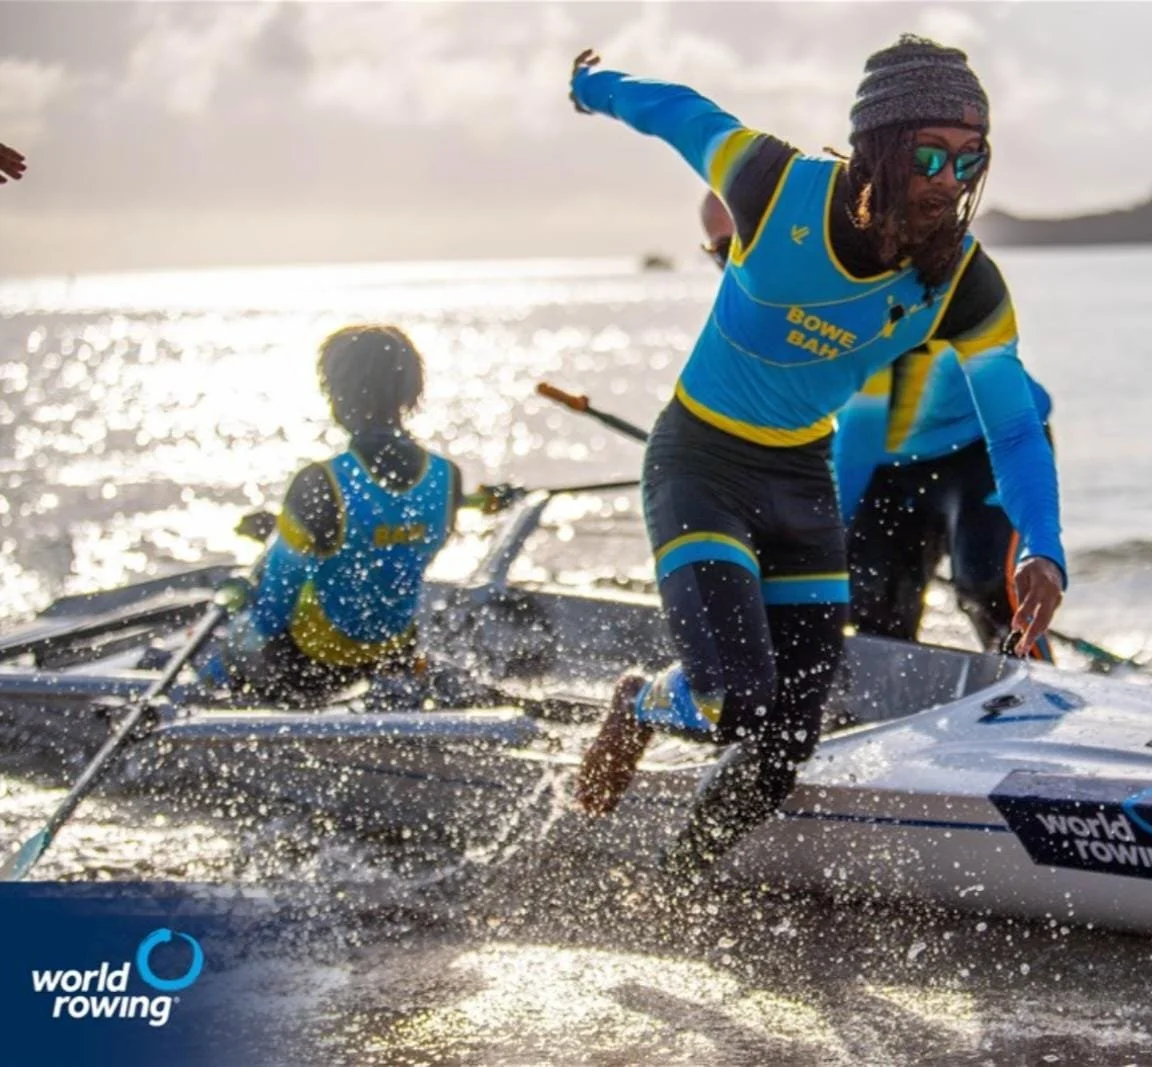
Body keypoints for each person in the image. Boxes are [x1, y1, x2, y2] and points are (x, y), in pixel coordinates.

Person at [569, 35, 1068, 877]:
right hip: (701, 463)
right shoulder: (770, 184)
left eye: (969, 158)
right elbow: (673, 111)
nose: (949, 180)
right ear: (878, 145)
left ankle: (677, 879)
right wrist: (591, 88)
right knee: (732, 697)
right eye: (929, 154)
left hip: (799, 479)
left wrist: (1043, 546)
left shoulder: (962, 281)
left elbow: (1014, 427)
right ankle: (641, 700)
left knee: (786, 738)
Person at [700, 190, 1056, 658]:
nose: (743, 265)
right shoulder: (766, 317)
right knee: (869, 604)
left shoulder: (857, 278)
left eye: (751, 242)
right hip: (891, 467)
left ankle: (1041, 685)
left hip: (982, 449)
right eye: (725, 253)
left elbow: (859, 437)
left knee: (986, 582)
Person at [201, 325, 515, 705]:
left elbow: (273, 608)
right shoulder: (447, 477)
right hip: (390, 656)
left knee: (239, 630)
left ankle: (201, 697)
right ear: (409, 392)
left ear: (339, 394)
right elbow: (392, 546)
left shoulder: (321, 481)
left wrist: (239, 613)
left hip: (306, 664)